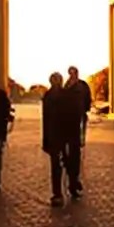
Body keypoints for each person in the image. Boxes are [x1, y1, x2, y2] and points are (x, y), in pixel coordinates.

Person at [43, 72, 84, 206]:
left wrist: (45, 140)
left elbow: (46, 120)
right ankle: (69, 187)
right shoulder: (66, 95)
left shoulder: (49, 96)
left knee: (59, 165)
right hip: (64, 135)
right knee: (67, 163)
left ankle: (59, 193)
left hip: (58, 136)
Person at [64, 66, 92, 194]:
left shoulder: (68, 86)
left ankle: (74, 181)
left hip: (76, 123)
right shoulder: (78, 86)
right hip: (72, 124)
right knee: (72, 155)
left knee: (75, 154)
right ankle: (74, 181)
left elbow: (87, 102)